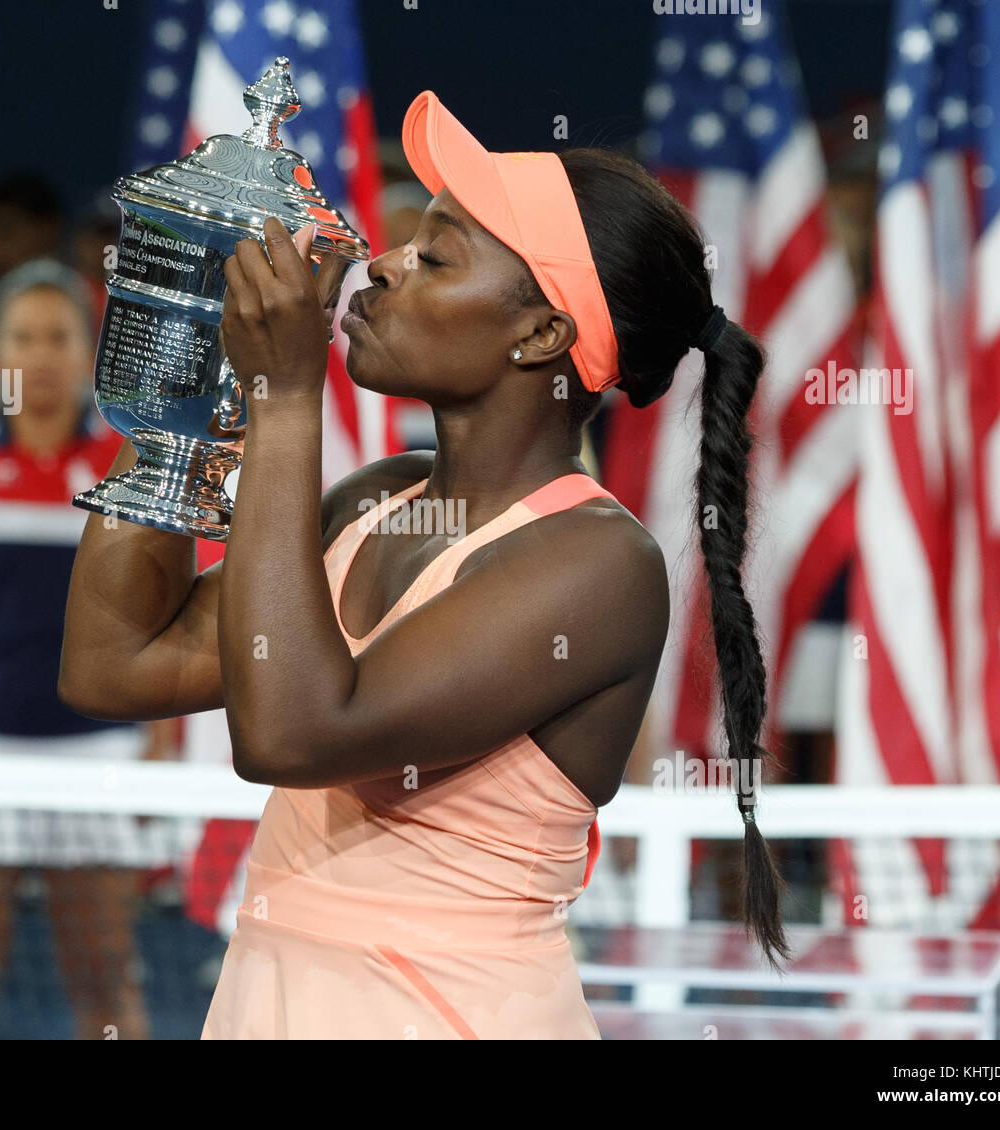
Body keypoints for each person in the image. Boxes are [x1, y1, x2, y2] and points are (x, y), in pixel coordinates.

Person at [60, 91, 787, 1039]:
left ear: (542, 337)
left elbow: (292, 735)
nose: (383, 266)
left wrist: (283, 395)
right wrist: (185, 374)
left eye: (434, 256)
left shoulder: (600, 565)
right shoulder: (376, 499)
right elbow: (113, 664)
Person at [0, 259, 173, 1039]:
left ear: (88, 350)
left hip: (98, 754)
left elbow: (156, 607)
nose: (41, 355)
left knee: (102, 972)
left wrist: (157, 746)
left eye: (59, 336)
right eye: (22, 337)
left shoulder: (122, 464)